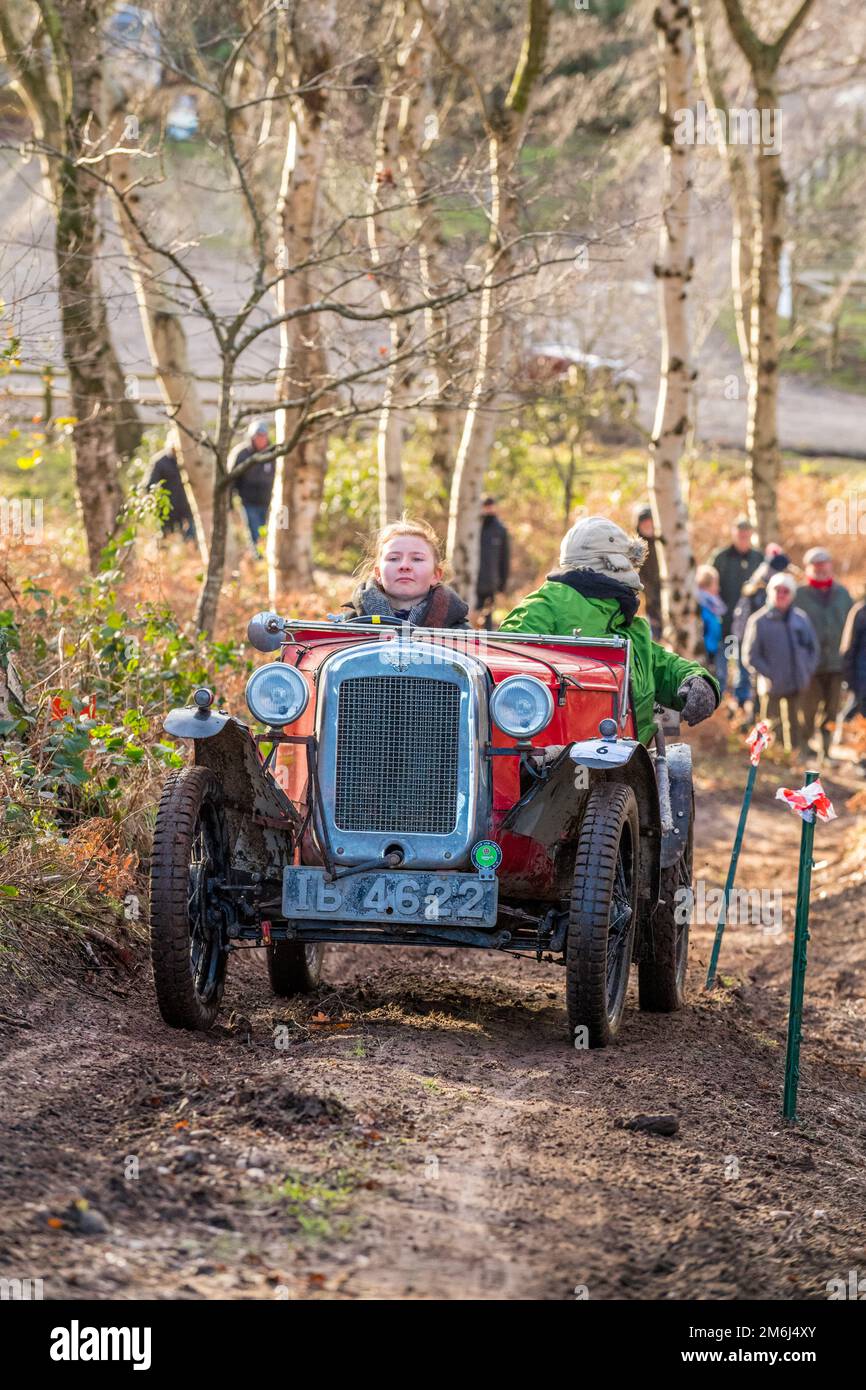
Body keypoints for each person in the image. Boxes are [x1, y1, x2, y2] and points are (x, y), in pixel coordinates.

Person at [499, 515, 720, 744]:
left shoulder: (624, 619)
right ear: (613, 562)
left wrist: (695, 679)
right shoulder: (543, 607)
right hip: (552, 764)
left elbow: (656, 662)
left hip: (630, 762)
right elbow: (505, 666)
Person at [342, 518, 470, 629]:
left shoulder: (461, 634)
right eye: (393, 558)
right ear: (378, 574)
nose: (404, 566)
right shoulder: (348, 626)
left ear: (435, 575)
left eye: (417, 559)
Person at [741, 573, 819, 754]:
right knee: (771, 725)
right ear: (770, 592)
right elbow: (750, 655)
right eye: (777, 590)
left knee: (795, 725)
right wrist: (769, 673)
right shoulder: (758, 621)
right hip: (771, 685)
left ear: (791, 595)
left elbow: (812, 649)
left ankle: (796, 758)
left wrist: (806, 670)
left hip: (797, 682)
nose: (781, 594)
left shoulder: (800, 618)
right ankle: (774, 759)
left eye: (786, 591)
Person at [795, 547, 853, 761]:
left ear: (830, 566)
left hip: (837, 664)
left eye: (824, 564)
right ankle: (803, 749)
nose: (820, 569)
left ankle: (826, 752)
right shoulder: (799, 595)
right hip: (810, 665)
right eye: (815, 565)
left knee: (831, 711)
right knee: (807, 711)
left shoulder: (843, 594)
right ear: (808, 568)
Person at [710, 517, 763, 707]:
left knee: (745, 665)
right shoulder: (721, 557)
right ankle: (720, 704)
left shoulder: (758, 558)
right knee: (722, 668)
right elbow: (709, 587)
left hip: (749, 624)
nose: (743, 538)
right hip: (724, 623)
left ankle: (742, 703)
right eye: (740, 535)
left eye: (746, 535)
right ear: (733, 534)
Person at [229, 419, 275, 550]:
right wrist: (229, 504)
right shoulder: (241, 454)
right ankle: (258, 560)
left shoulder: (273, 452)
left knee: (270, 532)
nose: (261, 440)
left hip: (269, 502)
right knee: (255, 533)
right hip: (249, 502)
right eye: (258, 437)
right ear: (252, 438)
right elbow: (231, 480)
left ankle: (266, 559)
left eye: (263, 436)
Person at [146, 429, 196, 540]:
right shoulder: (159, 462)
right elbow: (150, 485)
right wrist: (159, 502)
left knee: (190, 538)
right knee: (167, 538)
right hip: (167, 509)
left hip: (186, 507)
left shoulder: (186, 460)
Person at [840, 592, 866, 774]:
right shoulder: (861, 611)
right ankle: (861, 760)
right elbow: (849, 647)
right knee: (860, 718)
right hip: (862, 678)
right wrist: (850, 679)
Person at [476, 496, 511, 628]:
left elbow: (504, 558)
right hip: (472, 581)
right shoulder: (474, 527)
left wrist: (502, 583)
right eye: (486, 506)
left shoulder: (500, 529)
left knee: (487, 620)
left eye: (490, 506)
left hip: (490, 583)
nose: (488, 509)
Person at [695, 564, 726, 689]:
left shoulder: (712, 603)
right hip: (705, 652)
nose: (718, 588)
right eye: (715, 584)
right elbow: (704, 628)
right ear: (706, 584)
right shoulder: (701, 603)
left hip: (713, 649)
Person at [635, 503, 662, 639]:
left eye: (650, 522)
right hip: (648, 598)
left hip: (665, 594)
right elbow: (638, 574)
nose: (648, 525)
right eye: (644, 523)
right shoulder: (636, 547)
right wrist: (651, 593)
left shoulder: (662, 543)